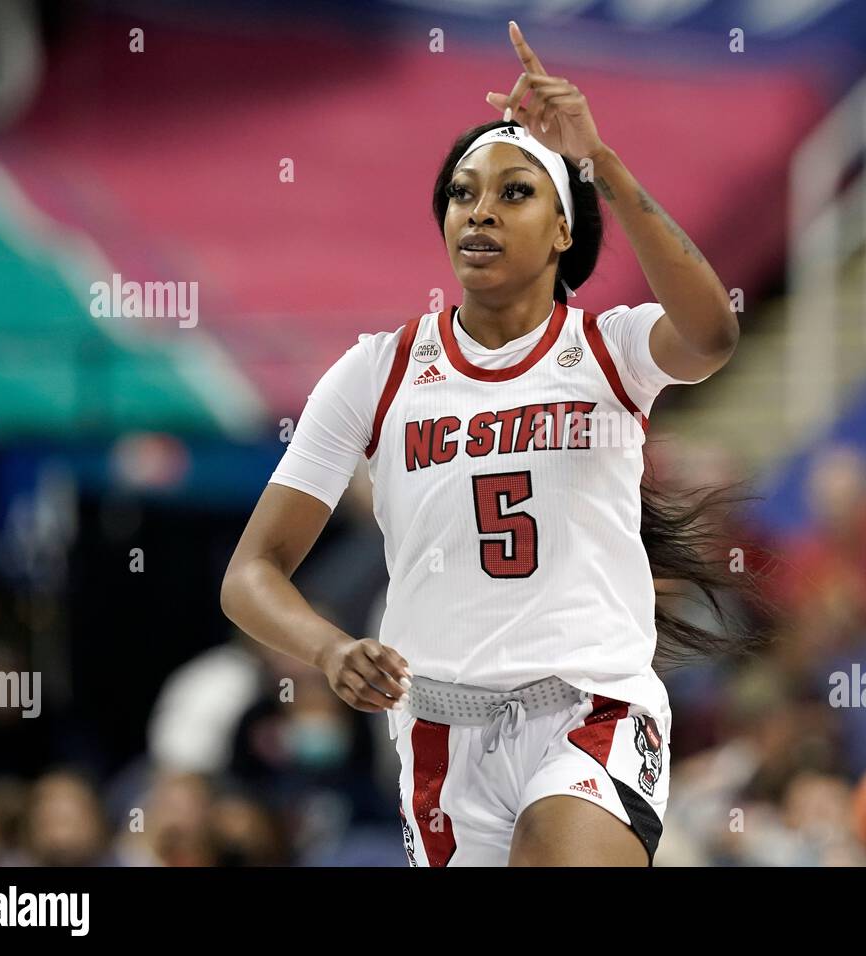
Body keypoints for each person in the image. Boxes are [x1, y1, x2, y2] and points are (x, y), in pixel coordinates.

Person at [222, 21, 751, 866]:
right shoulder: (377, 371)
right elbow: (251, 574)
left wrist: (600, 162)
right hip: (439, 728)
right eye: (464, 193)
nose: (480, 211)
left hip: (592, 708)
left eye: (514, 193)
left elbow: (713, 334)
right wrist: (328, 647)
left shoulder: (609, 351)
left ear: (563, 229)